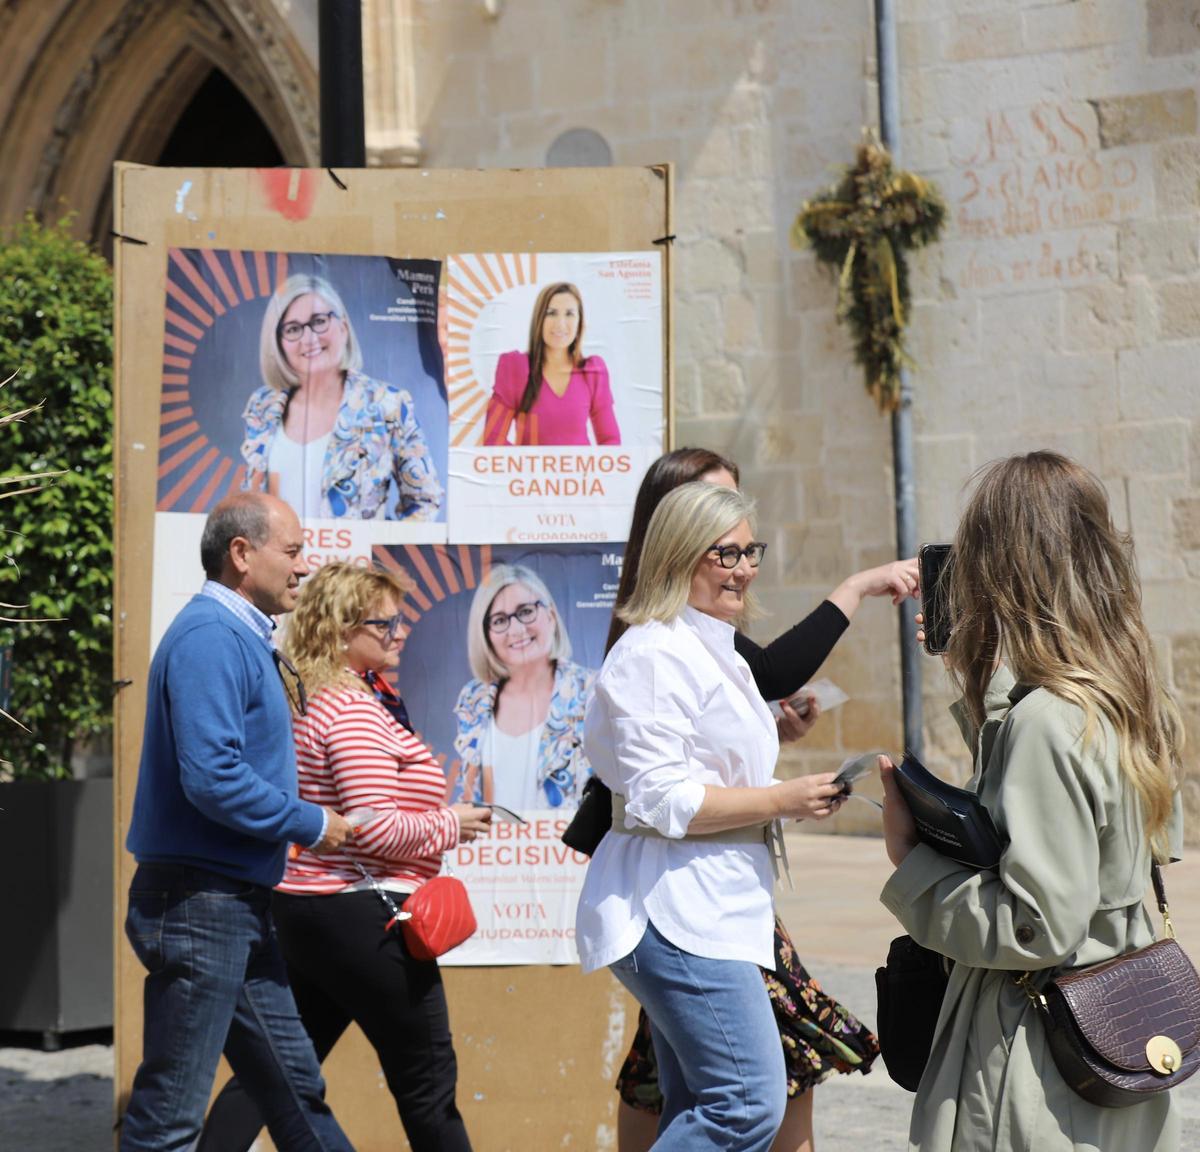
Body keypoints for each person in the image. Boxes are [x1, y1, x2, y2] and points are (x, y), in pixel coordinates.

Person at [608, 447, 915, 1152]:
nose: (746, 567)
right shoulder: (653, 651)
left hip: (715, 900)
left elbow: (703, 747)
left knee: (699, 1100)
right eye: (728, 552)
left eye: (751, 550)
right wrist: (781, 799)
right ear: (679, 548)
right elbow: (664, 797)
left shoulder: (705, 642)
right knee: (746, 1104)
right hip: (680, 904)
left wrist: (774, 743)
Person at [878, 451, 1184, 1152]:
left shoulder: (1047, 722)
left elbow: (1034, 926)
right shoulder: (1132, 695)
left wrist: (912, 862)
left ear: (1004, 570)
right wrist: (981, 672)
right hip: (1116, 1037)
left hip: (1035, 1060)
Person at [197, 562, 491, 1152]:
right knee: (428, 1085)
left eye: (398, 622)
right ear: (339, 630)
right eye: (384, 625)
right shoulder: (353, 709)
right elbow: (372, 828)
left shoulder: (311, 698)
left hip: (307, 913)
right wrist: (450, 823)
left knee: (272, 1075)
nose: (398, 635)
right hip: (364, 918)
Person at [121, 492, 356, 1152]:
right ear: (242, 554)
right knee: (170, 1117)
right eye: (293, 551)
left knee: (296, 1093)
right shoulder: (210, 638)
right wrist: (311, 823)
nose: (305, 566)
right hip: (200, 905)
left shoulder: (236, 635)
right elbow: (212, 777)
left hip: (230, 903)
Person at [241, 272, 443, 520]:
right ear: (278, 343)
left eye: (319, 321)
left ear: (343, 326)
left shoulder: (387, 404)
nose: (309, 338)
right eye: (293, 329)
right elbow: (252, 499)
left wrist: (382, 544)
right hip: (280, 546)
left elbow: (425, 501)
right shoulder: (263, 405)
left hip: (356, 548)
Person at [450, 563, 594, 809]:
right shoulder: (474, 698)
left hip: (569, 835)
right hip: (494, 835)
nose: (516, 629)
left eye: (526, 611)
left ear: (550, 615)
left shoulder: (590, 691)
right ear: (486, 635)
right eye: (499, 620)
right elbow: (470, 793)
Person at [483, 281, 620, 446]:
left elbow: (611, 441)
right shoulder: (515, 367)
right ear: (539, 319)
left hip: (583, 465)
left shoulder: (593, 371)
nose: (560, 324)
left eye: (569, 314)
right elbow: (493, 439)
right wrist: (533, 462)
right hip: (529, 465)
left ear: (580, 322)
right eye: (551, 313)